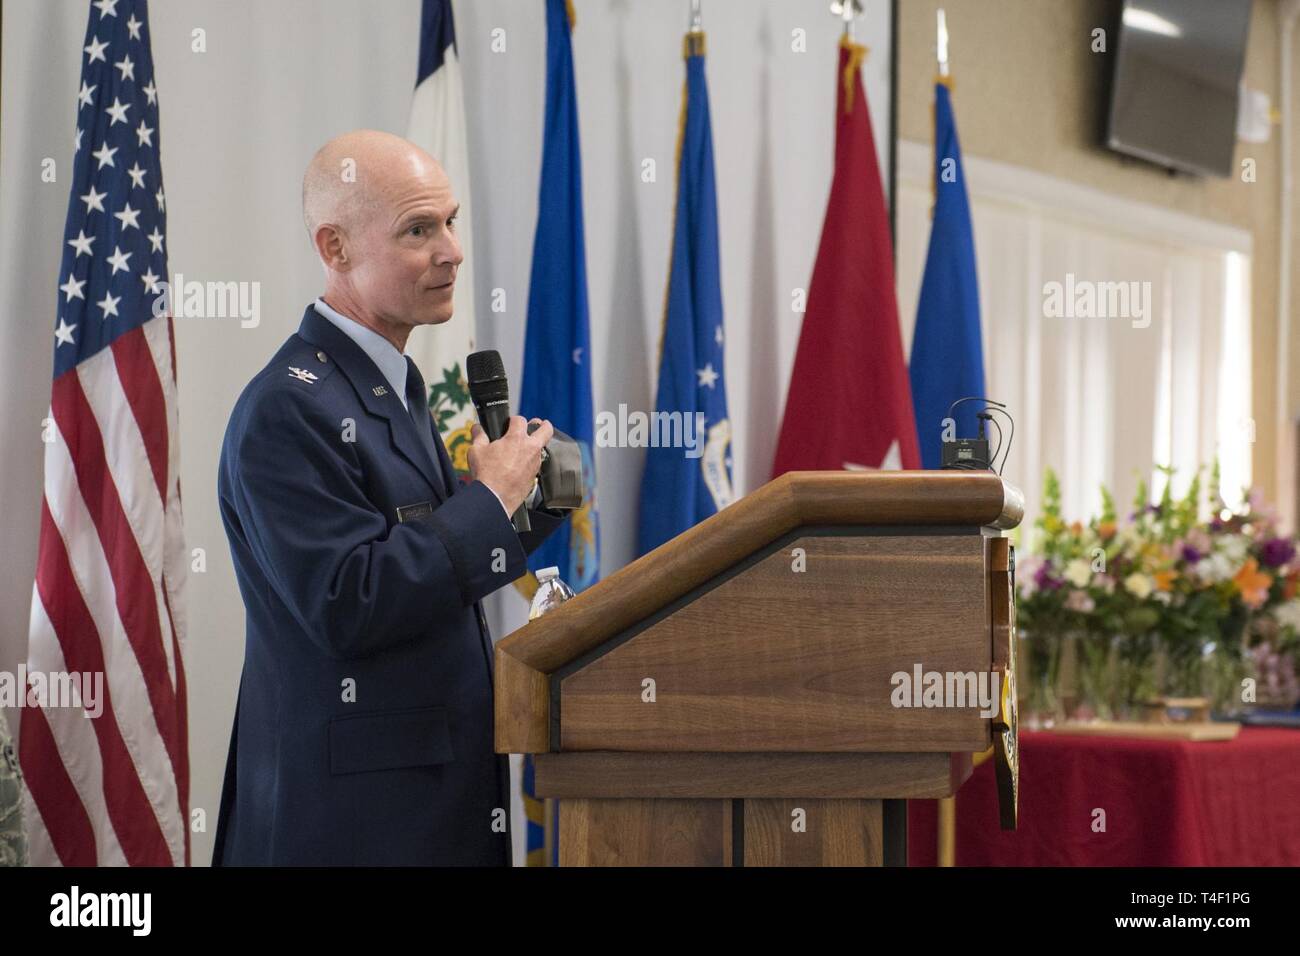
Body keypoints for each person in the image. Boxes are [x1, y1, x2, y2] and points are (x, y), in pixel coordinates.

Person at [212, 129, 564, 865]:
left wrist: (526, 505)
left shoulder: (386, 384)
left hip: (424, 798)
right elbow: (350, 602)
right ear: (335, 248)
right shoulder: (289, 408)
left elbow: (420, 567)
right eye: (418, 229)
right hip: (356, 824)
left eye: (451, 221)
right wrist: (488, 501)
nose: (452, 251)